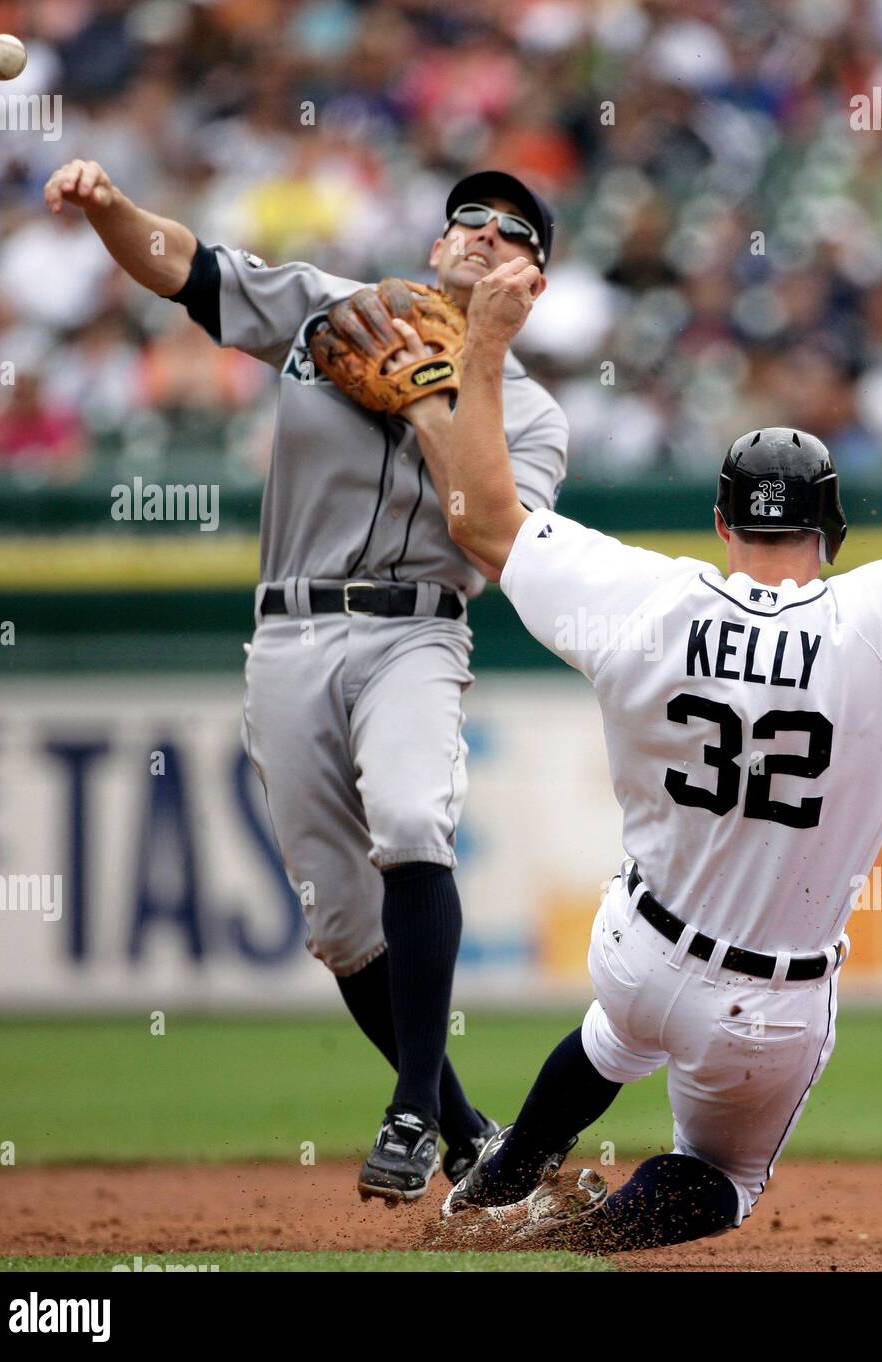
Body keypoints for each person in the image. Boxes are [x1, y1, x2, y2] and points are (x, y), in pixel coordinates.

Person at [434, 257, 882, 1251]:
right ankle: (572, 1247)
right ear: (831, 525)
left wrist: (482, 352)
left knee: (615, 1035)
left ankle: (506, 1172)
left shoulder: (647, 596)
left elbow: (483, 518)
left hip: (639, 949)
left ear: (719, 521)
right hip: (768, 1001)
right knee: (721, 1178)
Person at [43, 161, 570, 1202]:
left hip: (415, 632)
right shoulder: (330, 310)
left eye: (512, 234)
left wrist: (436, 397)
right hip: (286, 631)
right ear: (434, 244)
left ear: (532, 281)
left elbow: (494, 539)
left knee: (416, 822)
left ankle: (414, 1109)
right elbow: (188, 270)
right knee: (338, 926)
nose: (482, 234)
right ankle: (468, 1138)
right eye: (467, 219)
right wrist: (108, 208)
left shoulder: (539, 416)